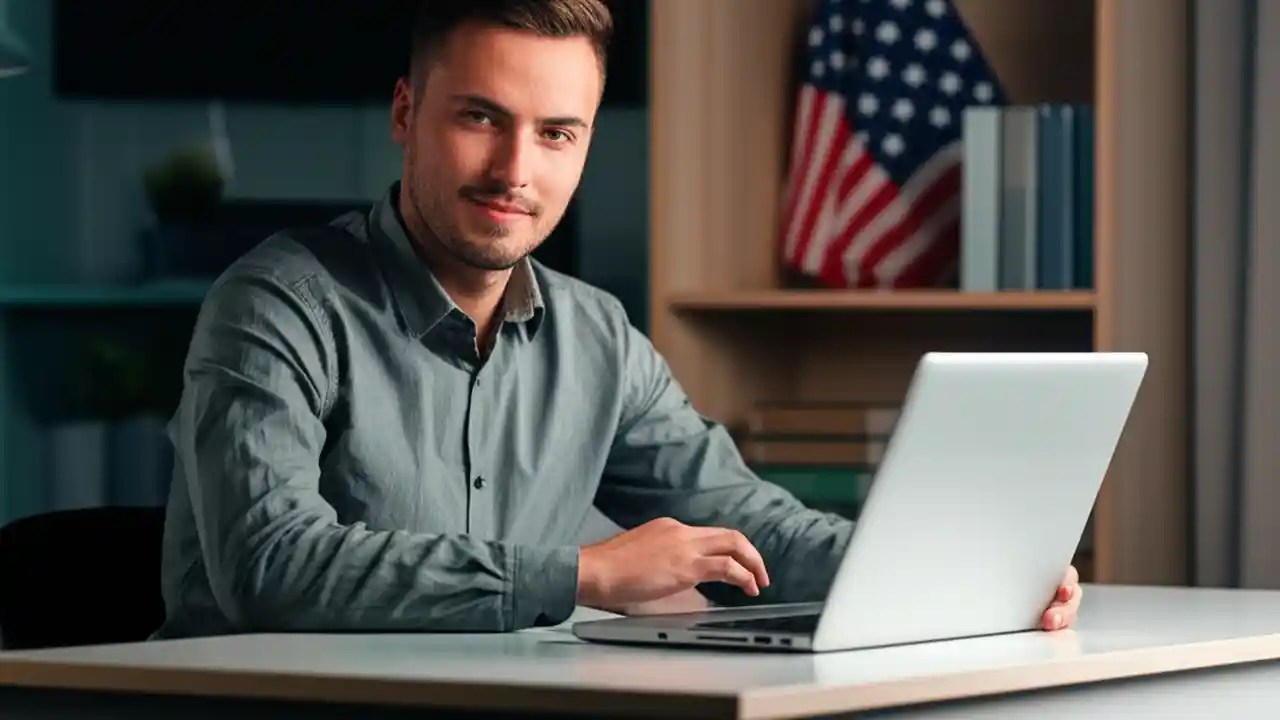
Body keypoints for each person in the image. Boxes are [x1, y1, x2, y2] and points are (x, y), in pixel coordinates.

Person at [154, 0, 1081, 639]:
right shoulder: (275, 302)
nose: (516, 168)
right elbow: (271, 565)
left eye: (557, 132)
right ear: (407, 112)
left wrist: (963, 571)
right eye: (481, 117)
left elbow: (752, 527)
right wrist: (582, 574)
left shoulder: (595, 335)